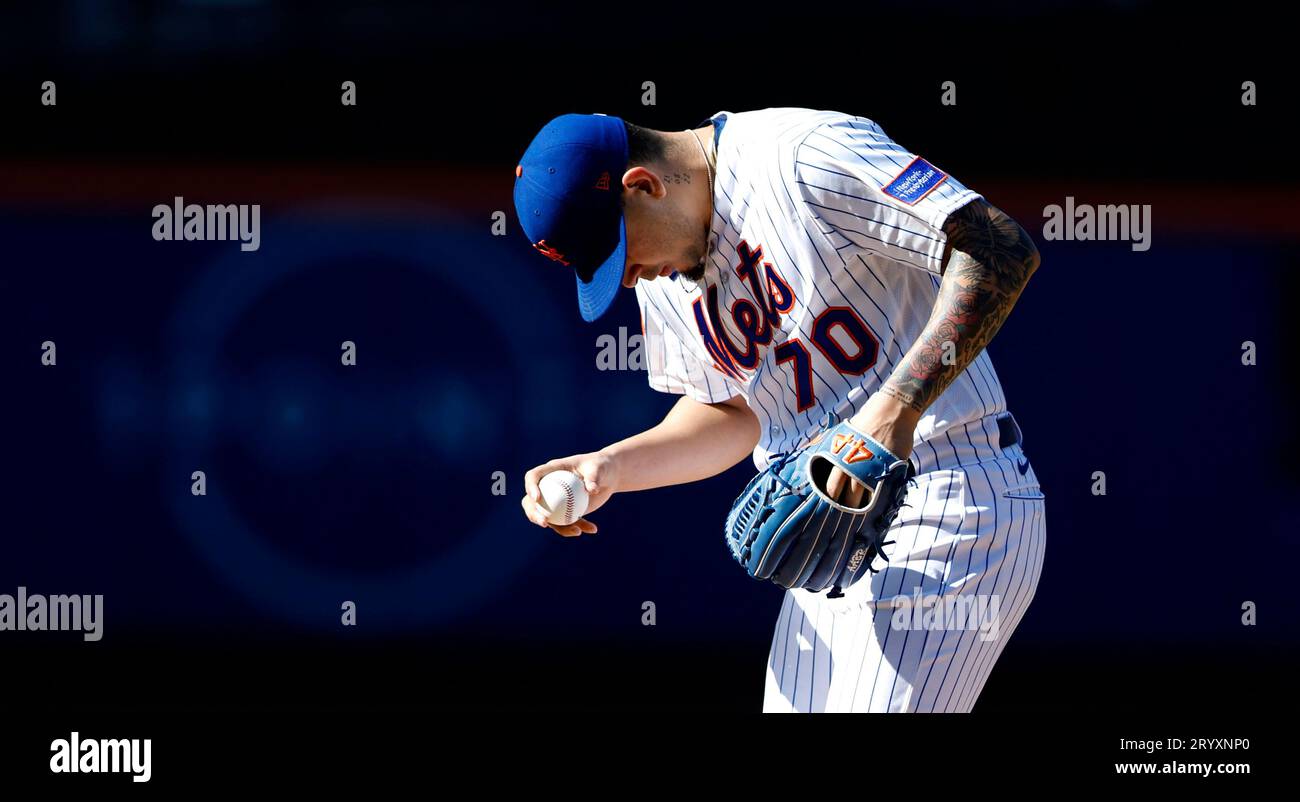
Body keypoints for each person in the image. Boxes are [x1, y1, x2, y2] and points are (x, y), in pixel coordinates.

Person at [513, 109, 1045, 712]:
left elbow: (997, 246)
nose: (629, 279)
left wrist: (894, 409)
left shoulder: (800, 155)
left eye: (619, 251)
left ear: (644, 185)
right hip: (830, 544)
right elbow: (735, 412)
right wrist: (609, 467)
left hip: (949, 494)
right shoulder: (669, 271)